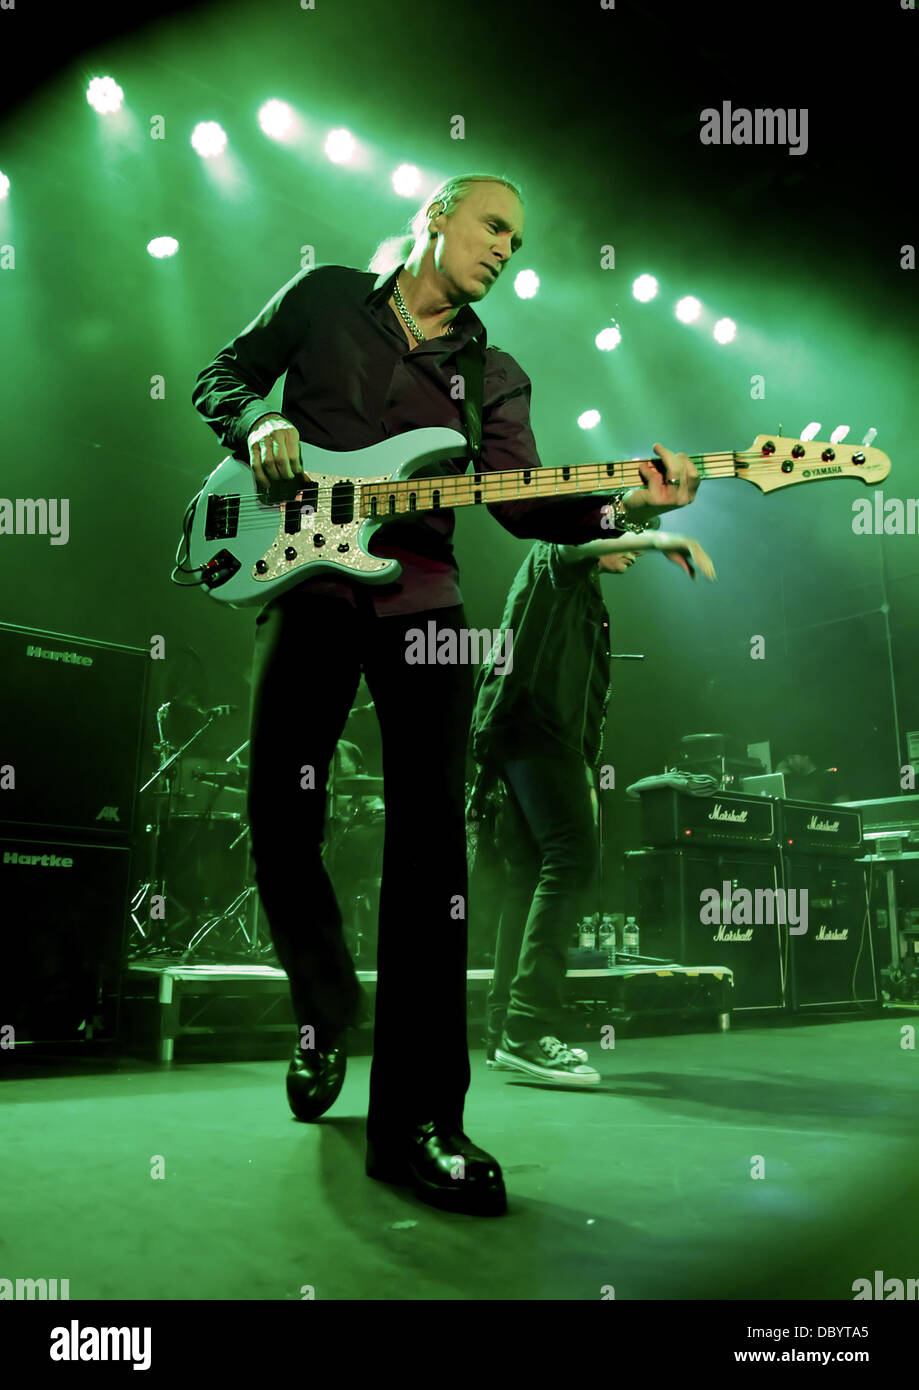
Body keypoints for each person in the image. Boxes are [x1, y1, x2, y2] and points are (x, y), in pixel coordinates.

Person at [191, 172, 701, 1217]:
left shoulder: (492, 372)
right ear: (435, 215)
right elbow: (224, 374)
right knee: (278, 821)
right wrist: (255, 426)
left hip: (421, 601)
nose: (508, 247)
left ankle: (422, 1121)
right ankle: (323, 1006)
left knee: (431, 852)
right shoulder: (325, 297)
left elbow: (527, 505)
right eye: (495, 225)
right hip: (304, 580)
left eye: (519, 238)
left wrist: (622, 505)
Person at [471, 531, 715, 1086]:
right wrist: (660, 539)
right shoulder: (556, 561)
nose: (630, 551)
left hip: (529, 734)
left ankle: (503, 1033)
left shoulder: (584, 596)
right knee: (571, 858)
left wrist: (583, 764)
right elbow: (575, 540)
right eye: (623, 538)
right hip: (534, 730)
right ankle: (527, 1032)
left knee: (530, 873)